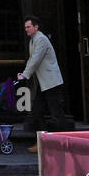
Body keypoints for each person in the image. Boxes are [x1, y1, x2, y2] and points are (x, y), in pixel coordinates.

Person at [17, 15, 65, 151]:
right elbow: (32, 60)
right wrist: (24, 74)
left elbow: (35, 60)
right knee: (37, 111)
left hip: (51, 82)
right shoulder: (33, 40)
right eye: (25, 27)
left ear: (36, 27)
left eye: (28, 27)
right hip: (42, 83)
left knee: (56, 113)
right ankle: (42, 143)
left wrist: (25, 75)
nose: (26, 29)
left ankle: (63, 143)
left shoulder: (41, 39)